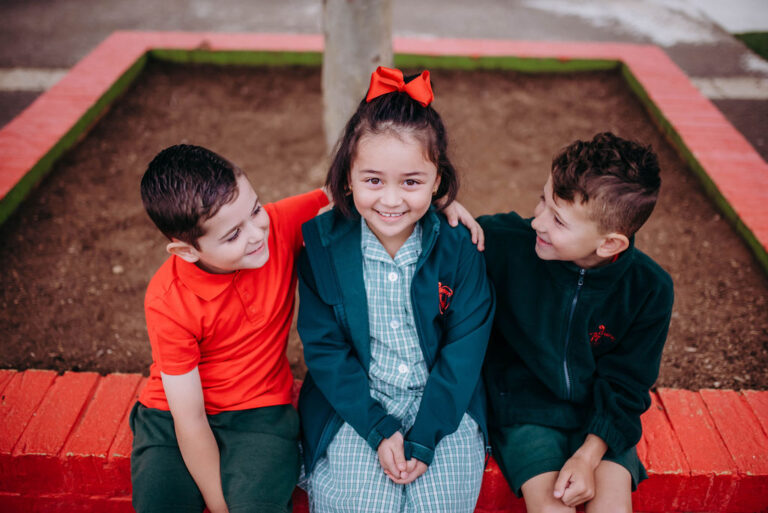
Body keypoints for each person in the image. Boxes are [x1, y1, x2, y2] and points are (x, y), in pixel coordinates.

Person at [297, 66, 496, 513]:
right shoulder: (322, 246)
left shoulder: (458, 247)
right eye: (373, 180)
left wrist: (424, 437)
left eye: (411, 182)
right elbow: (325, 349)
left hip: (444, 404)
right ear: (347, 177)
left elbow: (465, 350)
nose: (390, 200)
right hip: (357, 405)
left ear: (438, 182)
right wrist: (376, 427)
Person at [479, 132, 674, 513]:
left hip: (602, 418)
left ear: (610, 244)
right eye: (543, 201)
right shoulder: (504, 243)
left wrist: (588, 455)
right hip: (524, 411)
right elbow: (434, 231)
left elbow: (627, 382)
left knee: (612, 507)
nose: (537, 222)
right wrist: (449, 210)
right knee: (552, 506)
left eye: (558, 220)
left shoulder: (650, 289)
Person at [131, 144, 330, 513]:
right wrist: (219, 504)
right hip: (172, 419)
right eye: (232, 235)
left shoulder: (279, 225)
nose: (256, 234)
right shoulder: (168, 299)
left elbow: (359, 191)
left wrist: (442, 201)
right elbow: (189, 419)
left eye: (254, 210)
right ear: (186, 251)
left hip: (261, 410)